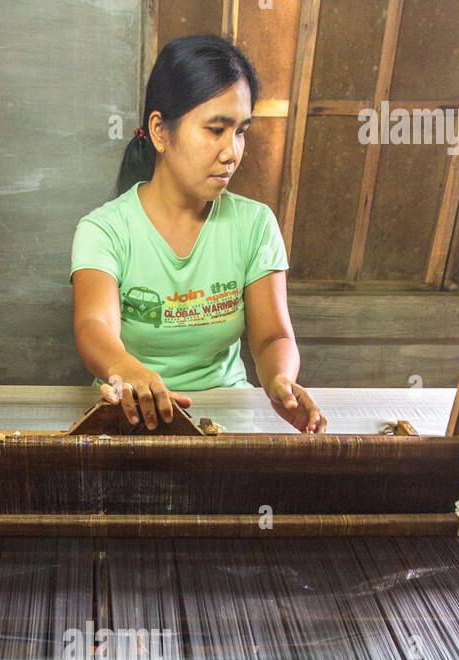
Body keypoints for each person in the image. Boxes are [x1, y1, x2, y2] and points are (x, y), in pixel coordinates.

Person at [70, 33, 326, 434]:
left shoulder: (254, 225)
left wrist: (279, 381)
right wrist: (129, 372)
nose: (232, 151)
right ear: (159, 131)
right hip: (129, 414)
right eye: (215, 129)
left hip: (223, 420)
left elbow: (272, 336)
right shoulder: (104, 230)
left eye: (240, 130)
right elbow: (94, 326)